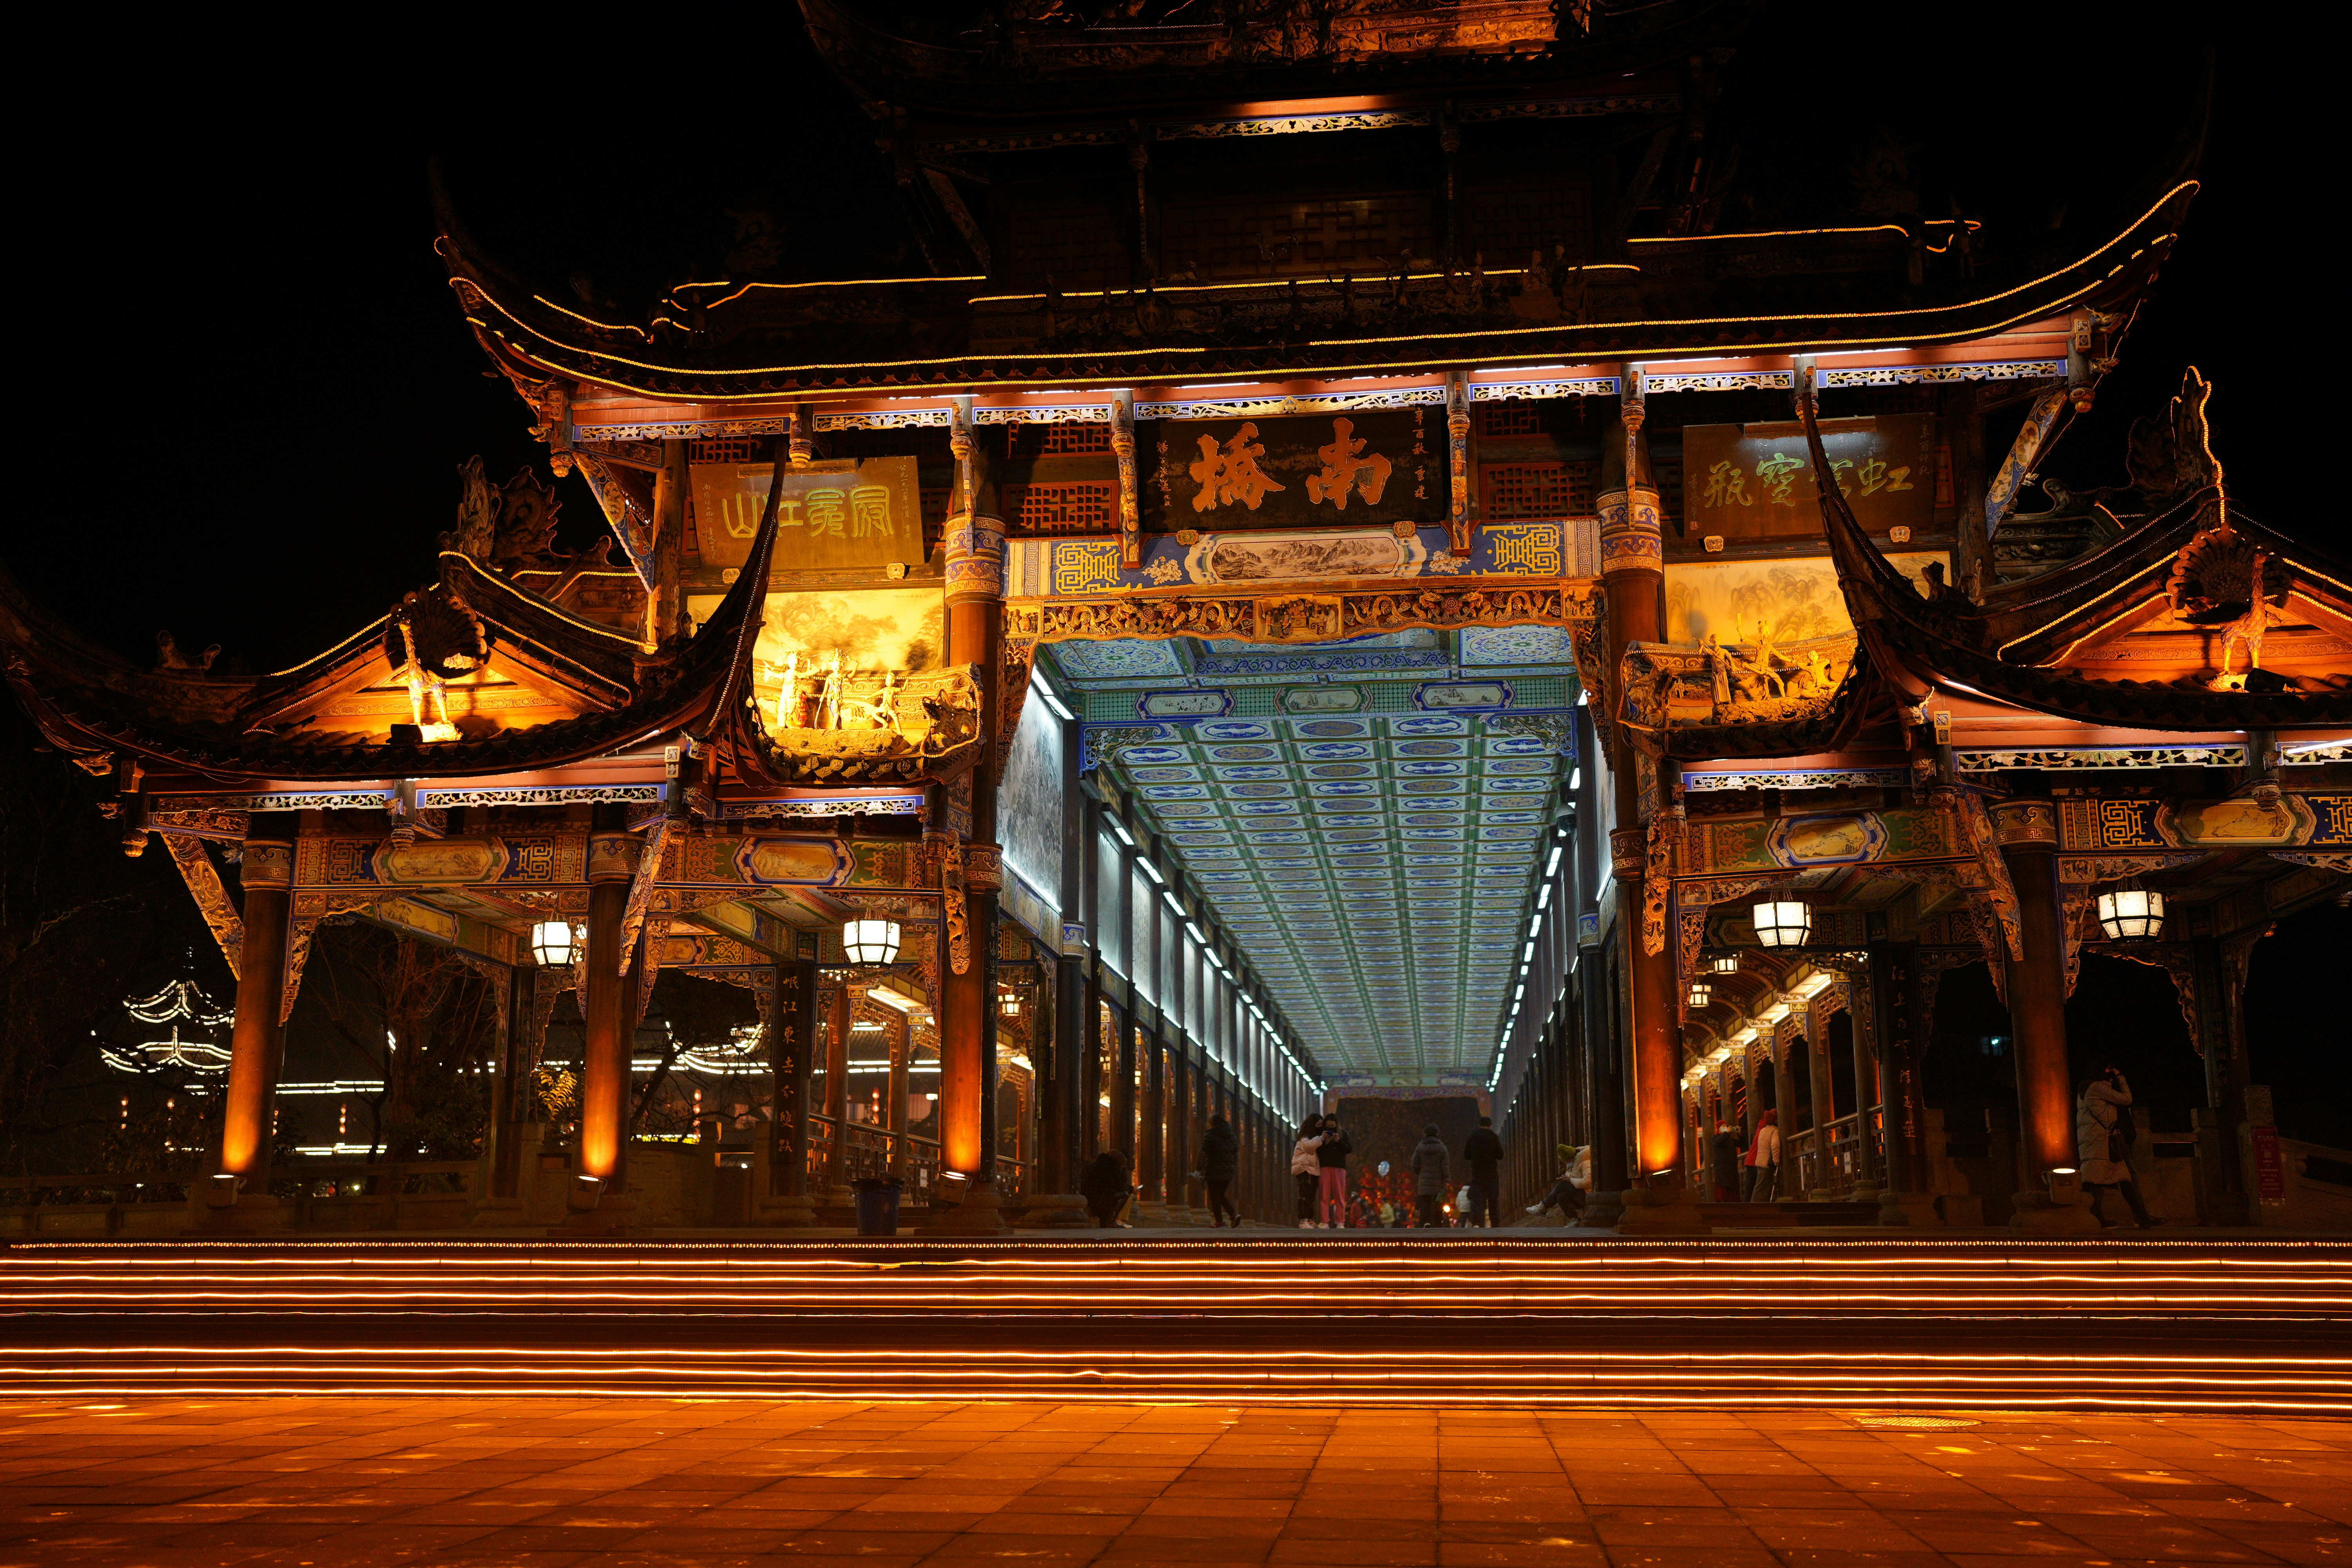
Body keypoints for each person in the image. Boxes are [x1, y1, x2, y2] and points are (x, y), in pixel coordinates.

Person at [2078, 1067, 2158, 1229]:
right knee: (2096, 1182)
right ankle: (2092, 1217)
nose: (2111, 1076)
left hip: (2100, 1142)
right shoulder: (2098, 1087)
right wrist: (2121, 1077)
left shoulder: (2087, 1088)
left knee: (2118, 1179)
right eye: (2109, 1071)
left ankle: (2141, 1217)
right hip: (2103, 1143)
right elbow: (2127, 1099)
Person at [1199, 1112, 1241, 1228]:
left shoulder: (1211, 1136)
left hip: (1214, 1170)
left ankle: (1220, 1221)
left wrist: (1199, 1169)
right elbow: (1236, 1153)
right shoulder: (1231, 1136)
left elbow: (1203, 1153)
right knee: (1221, 1195)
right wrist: (1233, 1168)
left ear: (1213, 1124)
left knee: (1214, 1196)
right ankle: (1234, 1215)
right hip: (1228, 1171)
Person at [1526, 1143, 1588, 1220]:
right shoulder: (1572, 1167)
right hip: (1580, 1197)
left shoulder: (1585, 1163)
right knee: (1561, 1197)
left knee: (1561, 1185)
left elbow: (1587, 1182)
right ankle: (1574, 1219)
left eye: (1568, 1161)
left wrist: (1570, 1180)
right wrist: (1567, 1179)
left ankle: (1543, 1206)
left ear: (1573, 1158)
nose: (1567, 1163)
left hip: (1588, 1197)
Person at [1462, 1115, 1504, 1228]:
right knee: (1493, 1199)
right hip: (1491, 1173)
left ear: (1479, 1125)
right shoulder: (1494, 1137)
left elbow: (1466, 1155)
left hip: (1477, 1173)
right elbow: (1500, 1155)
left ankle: (1477, 1222)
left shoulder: (1473, 1137)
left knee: (1477, 1199)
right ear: (1490, 1125)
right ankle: (1495, 1223)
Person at [1080, 1149, 1135, 1229]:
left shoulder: (1098, 1165)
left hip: (1091, 1198)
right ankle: (1109, 1221)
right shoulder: (1110, 1169)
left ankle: (1108, 1221)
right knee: (1124, 1194)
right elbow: (1118, 1186)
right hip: (1098, 1201)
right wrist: (1131, 1188)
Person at [1290, 1115, 1328, 1229]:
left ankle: (1310, 1219)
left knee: (1311, 1196)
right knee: (1304, 1195)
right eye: (1318, 1125)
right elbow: (1308, 1147)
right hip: (1304, 1169)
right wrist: (1321, 1138)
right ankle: (1303, 1220)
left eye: (1322, 1125)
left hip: (1313, 1171)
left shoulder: (1316, 1139)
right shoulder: (1305, 1138)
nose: (1320, 1127)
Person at [1316, 1117, 1354, 1228]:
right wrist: (1325, 1142)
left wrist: (1339, 1141)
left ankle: (1340, 1221)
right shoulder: (1321, 1136)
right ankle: (1324, 1221)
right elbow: (1318, 1152)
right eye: (1328, 1126)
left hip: (1339, 1168)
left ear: (1337, 1125)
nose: (1330, 1129)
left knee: (1340, 1196)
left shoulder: (1343, 1135)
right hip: (1325, 1167)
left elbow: (1348, 1149)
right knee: (1324, 1196)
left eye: (1333, 1126)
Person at [1411, 1123, 1450, 1229]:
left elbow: (1414, 1163)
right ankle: (1438, 1222)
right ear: (1437, 1133)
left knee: (1425, 1202)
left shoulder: (1420, 1147)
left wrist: (1420, 1173)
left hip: (1424, 1180)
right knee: (1438, 1202)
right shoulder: (1442, 1148)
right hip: (1438, 1180)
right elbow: (1445, 1166)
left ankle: (1426, 1222)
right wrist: (1447, 1179)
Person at [1744, 1110, 1781, 1203]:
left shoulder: (1762, 1131)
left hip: (1759, 1162)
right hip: (1767, 1163)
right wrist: (1776, 1160)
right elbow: (1775, 1145)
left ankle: (1753, 1205)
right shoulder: (1774, 1131)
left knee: (1758, 1186)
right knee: (1764, 1187)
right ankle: (1757, 1206)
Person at [1711, 1122, 1741, 1203]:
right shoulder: (1716, 1137)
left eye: (1726, 1126)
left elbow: (1741, 1144)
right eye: (1723, 1126)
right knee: (1723, 1185)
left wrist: (1739, 1135)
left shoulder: (1730, 1139)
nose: (1726, 1127)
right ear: (1719, 1128)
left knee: (1733, 1186)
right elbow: (1718, 1143)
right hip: (1722, 1168)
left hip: (1731, 1167)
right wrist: (1727, 1133)